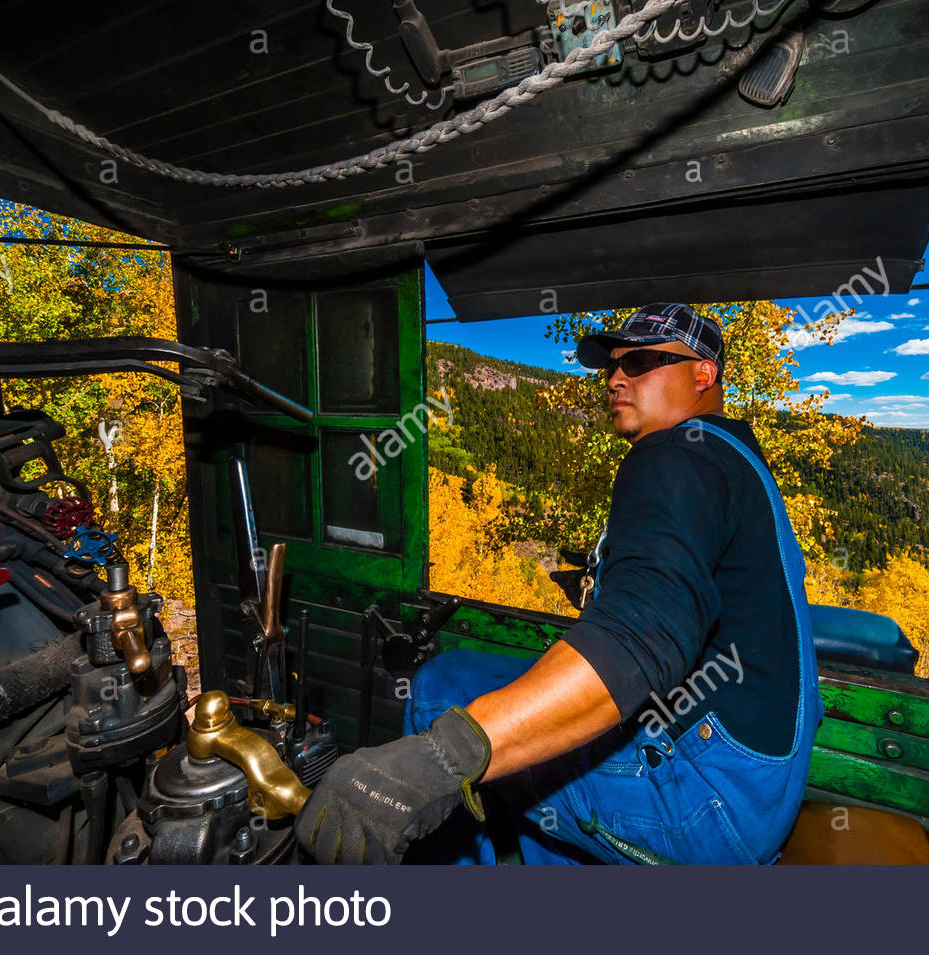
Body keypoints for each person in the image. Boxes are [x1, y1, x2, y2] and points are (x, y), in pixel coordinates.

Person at [295, 303, 822, 865]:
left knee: (436, 692)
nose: (616, 378)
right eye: (612, 366)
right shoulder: (741, 460)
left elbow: (642, 640)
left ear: (703, 374)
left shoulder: (671, 455)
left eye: (642, 361)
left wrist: (442, 760)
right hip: (764, 790)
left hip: (704, 799)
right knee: (470, 682)